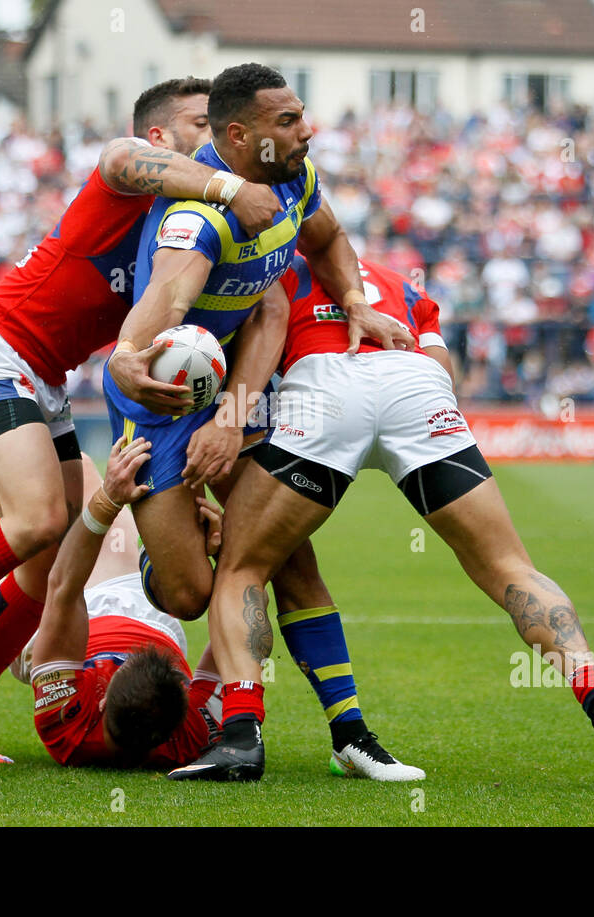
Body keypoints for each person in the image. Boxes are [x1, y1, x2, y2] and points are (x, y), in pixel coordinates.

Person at [0, 77, 286, 763]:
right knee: (39, 521)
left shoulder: (186, 226)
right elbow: (117, 157)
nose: (218, 134)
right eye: (202, 123)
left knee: (45, 562)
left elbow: (264, 304)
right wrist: (228, 186)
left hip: (42, 380)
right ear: (161, 139)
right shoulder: (133, 181)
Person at [169, 256, 594, 787]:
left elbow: (263, 330)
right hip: (419, 389)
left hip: (329, 382)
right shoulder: (404, 285)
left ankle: (241, 734)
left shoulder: (275, 266)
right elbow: (445, 373)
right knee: (510, 566)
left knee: (243, 567)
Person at [0, 448, 422, 778]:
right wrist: (233, 561)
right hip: (101, 616)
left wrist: (106, 507)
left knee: (67, 475)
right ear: (179, 695)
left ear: (102, 691)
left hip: (61, 628)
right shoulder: (193, 734)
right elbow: (242, 638)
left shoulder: (67, 723)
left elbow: (63, 586)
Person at [103, 63, 412, 636]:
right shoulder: (198, 215)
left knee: (286, 558)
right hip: (166, 391)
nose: (308, 131)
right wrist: (126, 352)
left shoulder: (295, 175)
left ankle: (311, 721)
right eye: (290, 121)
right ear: (241, 136)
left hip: (237, 378)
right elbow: (168, 299)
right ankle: (161, 557)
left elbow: (330, 239)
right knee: (188, 594)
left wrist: (355, 299)